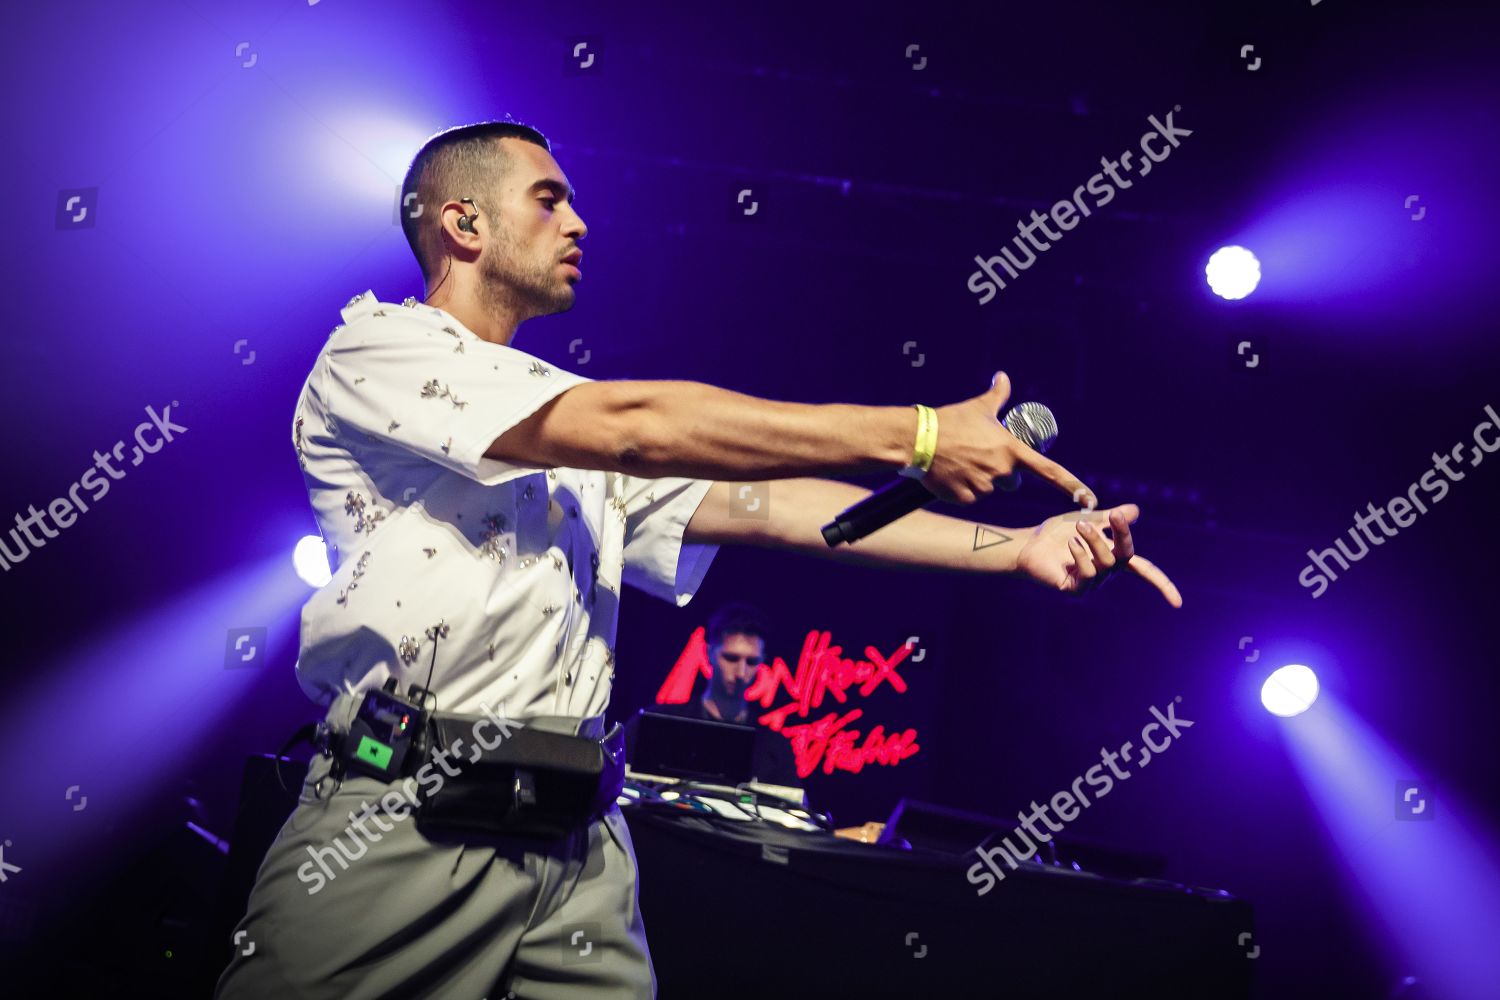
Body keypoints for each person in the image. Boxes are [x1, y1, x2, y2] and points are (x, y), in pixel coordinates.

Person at [217, 118, 1181, 1000]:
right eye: (549, 199)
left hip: (578, 838)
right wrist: (918, 433)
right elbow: (636, 425)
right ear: (462, 222)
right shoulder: (379, 347)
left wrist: (1017, 548)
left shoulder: (563, 419)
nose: (579, 222)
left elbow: (776, 511)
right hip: (409, 816)